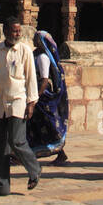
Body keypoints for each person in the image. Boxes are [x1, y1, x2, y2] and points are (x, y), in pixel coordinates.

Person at [0, 17, 41, 196]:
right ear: (5, 32)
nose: (17, 34)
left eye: (19, 31)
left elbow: (31, 79)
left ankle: (34, 169)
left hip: (17, 101)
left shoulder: (24, 51)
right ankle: (0, 186)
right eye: (14, 31)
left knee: (16, 140)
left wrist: (31, 103)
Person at [26, 30, 69, 165]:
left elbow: (44, 79)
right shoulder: (35, 54)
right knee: (37, 126)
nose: (34, 39)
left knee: (47, 125)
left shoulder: (43, 57)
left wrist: (36, 96)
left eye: (36, 38)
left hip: (41, 96)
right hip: (35, 93)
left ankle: (59, 152)